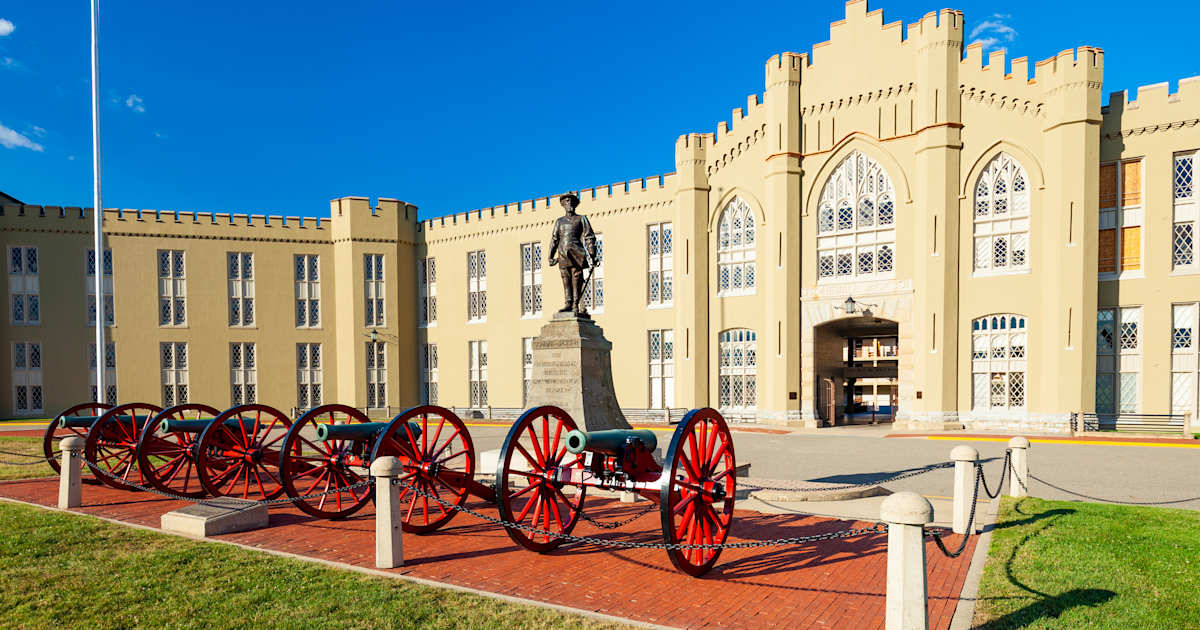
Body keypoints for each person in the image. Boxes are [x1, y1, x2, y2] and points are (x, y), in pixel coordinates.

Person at [547, 192, 598, 315]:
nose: (569, 203)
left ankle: (575, 303)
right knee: (565, 279)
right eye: (566, 201)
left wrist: (592, 255)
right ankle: (568, 303)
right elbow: (554, 239)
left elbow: (589, 237)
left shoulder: (581, 219)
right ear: (563, 205)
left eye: (571, 201)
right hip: (563, 254)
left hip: (577, 253)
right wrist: (550, 256)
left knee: (577, 278)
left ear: (575, 204)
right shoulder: (559, 222)